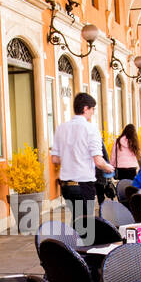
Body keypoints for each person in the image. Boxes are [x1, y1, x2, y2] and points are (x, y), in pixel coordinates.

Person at [50, 91, 114, 236]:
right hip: (83, 184)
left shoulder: (61, 128)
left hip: (66, 185)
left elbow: (55, 159)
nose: (93, 113)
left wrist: (69, 158)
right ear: (85, 108)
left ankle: (74, 250)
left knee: (77, 219)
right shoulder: (91, 129)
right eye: (92, 109)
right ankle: (83, 252)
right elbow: (98, 160)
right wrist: (108, 167)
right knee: (86, 225)